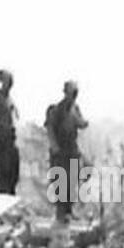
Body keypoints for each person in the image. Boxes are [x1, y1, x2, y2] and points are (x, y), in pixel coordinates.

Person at [45, 80, 87, 222]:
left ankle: (69, 211)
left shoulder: (75, 109)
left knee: (73, 181)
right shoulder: (56, 109)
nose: (74, 96)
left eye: (75, 93)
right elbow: (50, 128)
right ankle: (61, 213)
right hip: (60, 151)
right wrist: (55, 147)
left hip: (72, 150)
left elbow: (81, 123)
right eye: (72, 92)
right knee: (60, 182)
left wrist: (82, 122)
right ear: (66, 93)